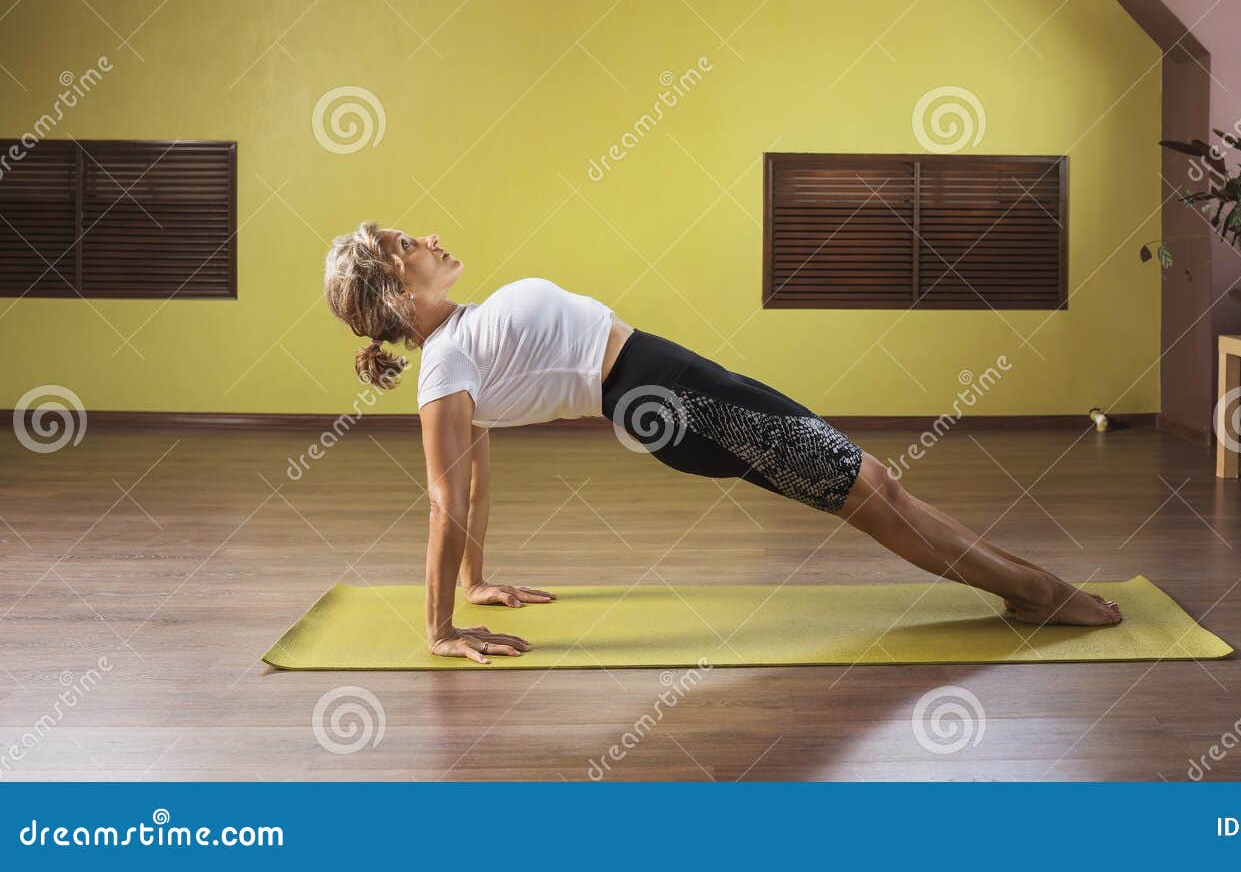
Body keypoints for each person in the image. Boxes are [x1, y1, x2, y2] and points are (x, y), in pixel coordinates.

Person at [322, 222, 1121, 663]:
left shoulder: (463, 332)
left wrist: (478, 580)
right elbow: (447, 494)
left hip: (662, 383)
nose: (428, 234)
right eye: (406, 242)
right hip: (662, 396)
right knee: (871, 487)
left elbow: (478, 477)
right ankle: (1037, 595)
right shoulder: (446, 364)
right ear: (397, 285)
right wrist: (440, 627)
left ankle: (1029, 590)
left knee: (871, 486)